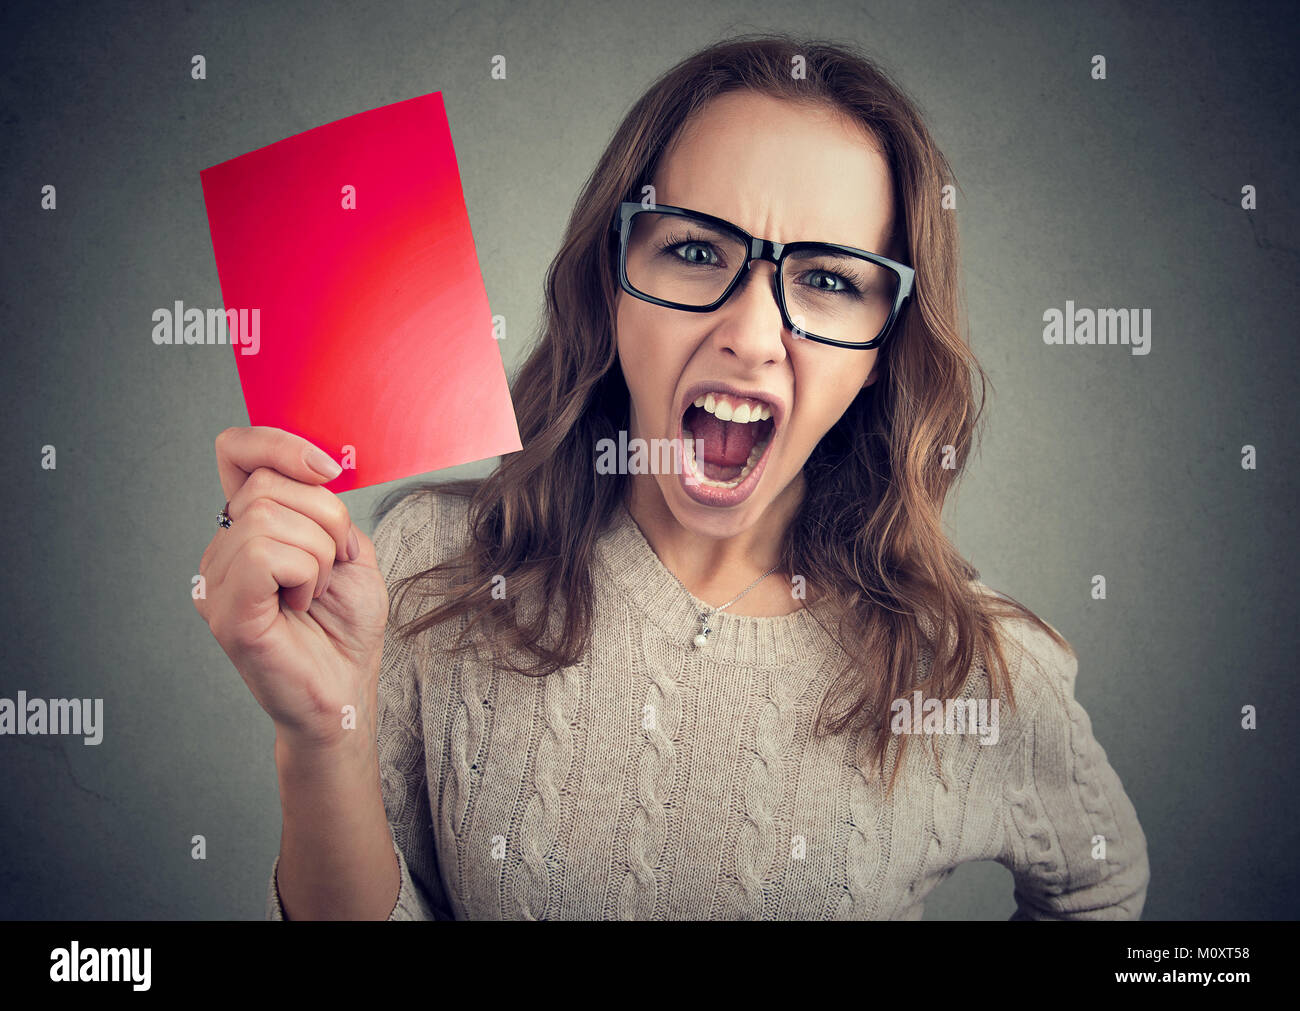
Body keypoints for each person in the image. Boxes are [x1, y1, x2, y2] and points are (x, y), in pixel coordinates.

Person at [195, 34, 1149, 920]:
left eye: (829, 279)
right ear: (610, 280)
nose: (750, 332)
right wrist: (323, 740)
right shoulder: (425, 569)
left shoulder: (969, 665)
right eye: (695, 250)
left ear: (883, 348)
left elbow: (1103, 879)